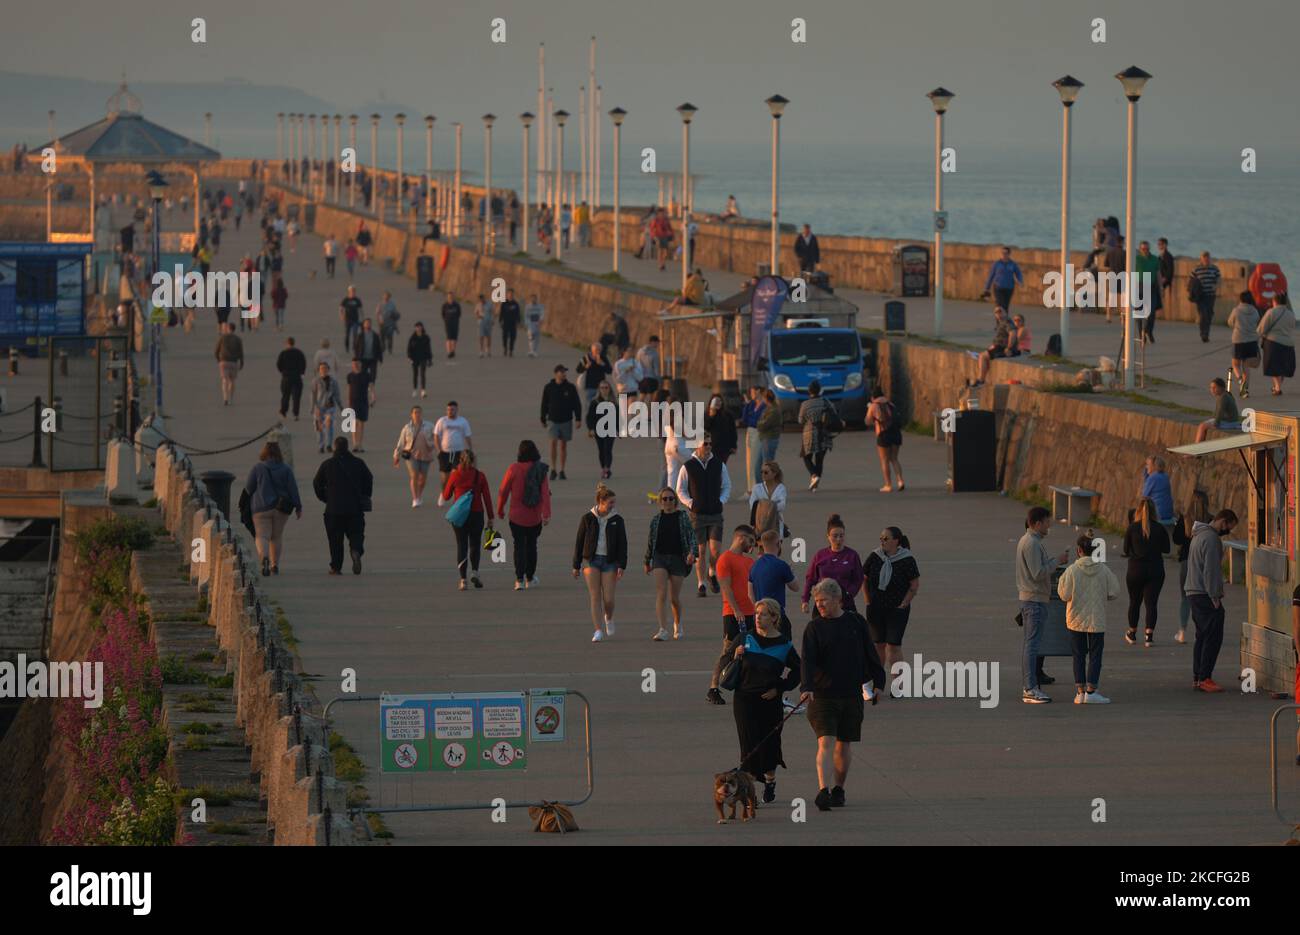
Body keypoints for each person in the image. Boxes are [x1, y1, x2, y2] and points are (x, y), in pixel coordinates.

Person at [796, 578, 886, 812]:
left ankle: (839, 789)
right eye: (817, 601)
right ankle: (823, 790)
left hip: (851, 694)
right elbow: (807, 661)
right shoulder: (814, 628)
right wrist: (806, 687)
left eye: (824, 600)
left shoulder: (856, 622)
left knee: (843, 745)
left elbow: (871, 653)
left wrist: (879, 682)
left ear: (838, 599)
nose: (820, 605)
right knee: (825, 741)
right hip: (822, 696)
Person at [719, 597, 801, 804]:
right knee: (748, 746)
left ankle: (770, 780)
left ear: (774, 618)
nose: (758, 618)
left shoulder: (784, 645)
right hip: (744, 700)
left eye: (763, 614)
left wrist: (779, 688)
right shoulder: (745, 638)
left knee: (770, 745)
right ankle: (749, 793)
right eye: (756, 614)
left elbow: (799, 670)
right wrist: (736, 656)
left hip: (770, 702)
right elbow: (724, 661)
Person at [1057, 534, 1121, 704]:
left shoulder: (1071, 570)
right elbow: (1114, 591)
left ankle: (1080, 691)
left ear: (1078, 551)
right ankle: (1092, 691)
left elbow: (1064, 595)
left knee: (1078, 655)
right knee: (1095, 655)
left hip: (1075, 619)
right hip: (1096, 619)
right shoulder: (1103, 569)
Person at [1017, 506, 1070, 704]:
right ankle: (1030, 688)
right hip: (1034, 600)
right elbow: (1038, 573)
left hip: (1033, 599)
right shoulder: (1031, 543)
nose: (1049, 526)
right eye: (1047, 522)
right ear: (1038, 523)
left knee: (1032, 644)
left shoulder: (1032, 541)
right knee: (1032, 646)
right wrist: (1057, 561)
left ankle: (1030, 686)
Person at [1184, 508, 1239, 692]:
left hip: (1193, 591)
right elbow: (1211, 570)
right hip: (1204, 593)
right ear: (1223, 521)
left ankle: (1197, 676)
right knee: (1213, 636)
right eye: (1228, 527)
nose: (1227, 532)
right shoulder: (1212, 539)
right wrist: (1215, 595)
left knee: (1201, 635)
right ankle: (1205, 677)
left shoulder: (1198, 535)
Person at [675, 432, 732, 599]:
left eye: (709, 444)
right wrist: (691, 503)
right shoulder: (688, 466)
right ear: (697, 445)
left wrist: (721, 500)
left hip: (715, 513)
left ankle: (712, 570)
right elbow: (680, 489)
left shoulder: (718, 464)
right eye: (705, 444)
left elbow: (727, 485)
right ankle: (701, 583)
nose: (708, 447)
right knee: (700, 550)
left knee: (715, 550)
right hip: (697, 515)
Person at [707, 525, 759, 704]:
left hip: (751, 612)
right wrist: (736, 609)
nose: (751, 547)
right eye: (750, 541)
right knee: (728, 651)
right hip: (733, 613)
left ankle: (749, 686)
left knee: (752, 651)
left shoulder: (749, 562)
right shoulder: (725, 559)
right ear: (741, 538)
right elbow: (725, 587)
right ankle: (713, 687)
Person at [572, 484, 627, 641]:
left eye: (613, 502)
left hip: (610, 562)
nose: (613, 505)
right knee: (595, 596)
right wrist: (576, 565)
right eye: (610, 502)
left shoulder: (617, 520)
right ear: (601, 502)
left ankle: (608, 617)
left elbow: (623, 544)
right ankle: (597, 630)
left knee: (608, 599)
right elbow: (579, 542)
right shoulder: (587, 518)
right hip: (591, 561)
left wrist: (622, 565)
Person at [312, 436, 373, 576]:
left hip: (333, 509)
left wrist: (325, 498)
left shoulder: (327, 464)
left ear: (334, 447)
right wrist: (364, 495)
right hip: (355, 508)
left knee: (335, 539)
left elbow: (317, 483)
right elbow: (369, 479)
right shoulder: (359, 463)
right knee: (356, 534)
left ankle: (336, 567)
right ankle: (356, 550)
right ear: (347, 447)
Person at [864, 526, 920, 679]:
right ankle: (877, 682)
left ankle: (898, 684)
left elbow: (914, 584)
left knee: (894, 646)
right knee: (878, 645)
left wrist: (905, 601)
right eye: (881, 538)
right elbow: (864, 578)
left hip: (897, 609)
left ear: (896, 541)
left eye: (886, 538)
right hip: (876, 608)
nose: (882, 541)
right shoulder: (875, 556)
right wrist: (867, 599)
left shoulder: (907, 559)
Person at [645, 486, 697, 640]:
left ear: (675, 501)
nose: (668, 501)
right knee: (661, 593)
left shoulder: (682, 517)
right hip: (660, 558)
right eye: (664, 499)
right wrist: (647, 560)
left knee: (674, 597)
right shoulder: (656, 520)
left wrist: (692, 553)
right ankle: (662, 629)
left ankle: (678, 624)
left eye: (671, 498)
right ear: (660, 501)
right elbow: (650, 541)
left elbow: (692, 537)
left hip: (677, 559)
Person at [498, 439, 551, 590]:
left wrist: (500, 510)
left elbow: (503, 491)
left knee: (519, 546)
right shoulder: (540, 469)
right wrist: (546, 514)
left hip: (516, 517)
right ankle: (530, 578)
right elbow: (545, 493)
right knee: (532, 546)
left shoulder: (513, 469)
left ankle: (519, 579)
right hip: (534, 517)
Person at [244, 441, 302, 577]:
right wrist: (298, 507)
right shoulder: (286, 469)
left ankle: (264, 558)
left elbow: (249, 488)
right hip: (281, 508)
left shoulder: (257, 468)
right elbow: (293, 489)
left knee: (262, 535)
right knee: (276, 536)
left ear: (264, 453)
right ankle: (274, 565)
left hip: (260, 508)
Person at [442, 450, 494, 590]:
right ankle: (475, 572)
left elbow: (446, 496)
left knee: (461, 545)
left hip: (459, 516)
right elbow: (487, 498)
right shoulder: (480, 476)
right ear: (473, 461)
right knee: (475, 544)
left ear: (460, 460)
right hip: (477, 514)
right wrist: (491, 517)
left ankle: (463, 580)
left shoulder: (455, 475)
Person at [1122, 497, 1170, 647]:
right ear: (1154, 511)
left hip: (1135, 570)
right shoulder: (1160, 528)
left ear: (1138, 511)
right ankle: (1149, 635)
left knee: (1134, 602)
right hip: (1155, 570)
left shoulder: (1132, 528)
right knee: (1151, 604)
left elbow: (1125, 549)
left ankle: (1132, 632)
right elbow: (1167, 549)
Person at [802, 513, 865, 615]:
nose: (839, 539)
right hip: (823, 602)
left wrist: (849, 593)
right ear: (828, 536)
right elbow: (810, 579)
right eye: (835, 536)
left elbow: (858, 578)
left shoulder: (852, 555)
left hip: (845, 602)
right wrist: (805, 600)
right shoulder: (820, 555)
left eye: (841, 536)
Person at [1171, 490, 1212, 644]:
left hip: (1186, 562)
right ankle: (1201, 630)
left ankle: (1182, 631)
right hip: (1204, 564)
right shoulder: (1210, 520)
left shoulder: (1185, 519)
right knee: (1204, 597)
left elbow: (1176, 539)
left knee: (1185, 598)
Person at [748, 529, 798, 638]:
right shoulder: (781, 565)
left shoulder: (754, 566)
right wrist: (792, 572)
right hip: (777, 616)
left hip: (760, 617)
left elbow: (750, 593)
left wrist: (757, 609)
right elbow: (795, 587)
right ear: (778, 543)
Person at [540, 364, 582, 480]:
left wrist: (578, 418)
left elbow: (576, 404)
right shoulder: (549, 387)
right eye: (562, 372)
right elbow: (544, 403)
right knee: (553, 443)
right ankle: (553, 469)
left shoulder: (570, 387)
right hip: (553, 420)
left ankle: (562, 470)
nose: (564, 374)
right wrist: (543, 418)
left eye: (565, 372)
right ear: (556, 373)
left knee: (563, 445)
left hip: (566, 420)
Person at [393, 405, 437, 508]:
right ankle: (415, 498)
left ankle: (419, 495)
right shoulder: (407, 427)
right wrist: (396, 456)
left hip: (426, 455)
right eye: (415, 412)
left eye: (419, 412)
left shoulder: (430, 426)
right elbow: (401, 442)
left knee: (423, 478)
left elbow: (436, 438)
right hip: (411, 455)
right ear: (411, 414)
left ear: (422, 414)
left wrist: (434, 447)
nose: (417, 414)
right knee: (414, 476)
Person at [797, 380, 835, 491]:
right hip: (824, 433)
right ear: (819, 390)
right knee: (819, 459)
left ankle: (814, 475)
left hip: (809, 434)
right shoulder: (826, 402)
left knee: (806, 456)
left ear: (809, 391)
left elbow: (800, 420)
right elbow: (834, 414)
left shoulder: (805, 404)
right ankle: (815, 483)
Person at [867, 384, 904, 493]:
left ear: (873, 396)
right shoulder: (890, 403)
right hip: (896, 433)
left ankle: (888, 485)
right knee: (894, 458)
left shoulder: (873, 405)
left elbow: (867, 421)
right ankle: (900, 481)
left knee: (884, 460)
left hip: (883, 434)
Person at [1258, 292, 1296, 396]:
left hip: (1273, 343)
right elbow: (1292, 327)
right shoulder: (1290, 314)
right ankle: (1276, 387)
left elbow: (1261, 328)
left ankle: (1278, 388)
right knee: (1282, 367)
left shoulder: (1271, 312)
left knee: (1274, 367)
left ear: (1274, 301)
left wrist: (1259, 335)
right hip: (1288, 343)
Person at [433, 400, 473, 490]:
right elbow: (436, 436)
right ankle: (443, 494)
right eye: (448, 410)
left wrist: (470, 449)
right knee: (444, 478)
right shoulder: (442, 421)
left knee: (456, 474)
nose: (450, 412)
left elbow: (467, 436)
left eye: (452, 410)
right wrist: (438, 450)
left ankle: (455, 494)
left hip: (458, 452)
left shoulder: (463, 421)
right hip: (444, 452)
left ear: (457, 410)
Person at [1227, 291, 1260, 398]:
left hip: (1238, 341)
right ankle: (1245, 391)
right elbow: (1257, 322)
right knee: (1246, 366)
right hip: (1251, 342)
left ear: (1240, 299)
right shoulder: (1255, 311)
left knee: (1235, 364)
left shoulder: (1236, 310)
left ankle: (1240, 380)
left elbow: (1230, 322)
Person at [586, 379, 619, 479]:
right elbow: (590, 417)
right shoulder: (595, 402)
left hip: (610, 429)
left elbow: (618, 417)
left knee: (607, 449)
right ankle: (603, 468)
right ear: (599, 390)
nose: (604, 390)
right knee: (601, 450)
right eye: (602, 388)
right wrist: (590, 429)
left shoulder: (613, 402)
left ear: (609, 389)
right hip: (598, 429)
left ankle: (607, 469)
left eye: (606, 387)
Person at [748, 461, 787, 540]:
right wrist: (772, 505)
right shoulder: (756, 488)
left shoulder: (781, 488)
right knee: (761, 548)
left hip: (776, 523)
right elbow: (753, 506)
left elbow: (782, 506)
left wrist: (763, 505)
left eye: (766, 472)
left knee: (776, 549)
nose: (763, 474)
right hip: (760, 524)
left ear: (774, 473)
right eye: (761, 472)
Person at [1194, 377, 1241, 443]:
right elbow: (1217, 413)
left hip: (1230, 423)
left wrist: (1215, 425)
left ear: (1221, 388)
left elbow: (1220, 412)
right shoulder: (1225, 395)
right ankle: (1198, 446)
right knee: (1204, 424)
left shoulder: (1223, 397)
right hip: (1230, 421)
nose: (1212, 390)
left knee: (1202, 426)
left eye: (1214, 388)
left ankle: (1196, 447)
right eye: (1211, 388)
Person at [311, 362, 343, 453]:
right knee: (319, 427)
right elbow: (313, 395)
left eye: (325, 368)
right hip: (319, 407)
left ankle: (329, 445)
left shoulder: (333, 381)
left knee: (329, 424)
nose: (323, 370)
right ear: (319, 370)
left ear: (328, 369)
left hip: (330, 406)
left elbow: (337, 394)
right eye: (321, 369)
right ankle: (321, 445)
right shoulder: (316, 381)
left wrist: (341, 406)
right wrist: (313, 408)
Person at [1134, 240, 1162, 342]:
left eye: (1147, 249)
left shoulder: (1154, 259)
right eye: (1143, 249)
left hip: (1152, 287)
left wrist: (1161, 288)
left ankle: (1148, 331)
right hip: (1139, 287)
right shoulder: (1136, 259)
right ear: (1140, 250)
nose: (1145, 251)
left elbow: (1158, 274)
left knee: (1151, 313)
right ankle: (1141, 334)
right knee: (1139, 313)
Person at [1190, 252, 1222, 343]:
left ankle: (1206, 332)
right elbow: (1191, 281)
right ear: (1201, 259)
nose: (1206, 261)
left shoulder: (1214, 269)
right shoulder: (1196, 269)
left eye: (1208, 259)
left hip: (1211, 295)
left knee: (1209, 314)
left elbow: (1219, 279)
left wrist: (1216, 286)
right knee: (1203, 314)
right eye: (1204, 259)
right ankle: (1203, 334)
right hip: (1200, 296)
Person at [982, 246, 1024, 312]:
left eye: (1006, 253)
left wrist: (1020, 281)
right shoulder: (997, 264)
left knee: (1005, 306)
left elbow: (1018, 273)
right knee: (999, 304)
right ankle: (999, 320)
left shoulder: (1013, 264)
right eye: (1002, 253)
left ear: (1009, 254)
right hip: (998, 287)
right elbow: (991, 276)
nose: (1004, 254)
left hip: (1009, 288)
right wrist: (987, 287)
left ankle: (1005, 320)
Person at [741, 387, 767, 493]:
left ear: (759, 391)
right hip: (749, 431)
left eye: (753, 392)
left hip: (758, 432)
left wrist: (752, 419)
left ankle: (755, 488)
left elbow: (758, 420)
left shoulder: (764, 406)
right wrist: (747, 405)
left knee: (755, 461)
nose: (751, 394)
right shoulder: (751, 404)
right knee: (749, 461)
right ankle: (750, 488)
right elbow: (744, 419)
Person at [345, 359, 374, 452]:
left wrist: (373, 397)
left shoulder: (367, 375)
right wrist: (348, 401)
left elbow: (371, 387)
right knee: (354, 422)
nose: (356, 365)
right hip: (353, 401)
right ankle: (355, 444)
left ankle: (360, 444)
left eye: (357, 364)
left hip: (363, 401)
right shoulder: (350, 376)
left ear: (360, 365)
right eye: (354, 364)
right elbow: (349, 389)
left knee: (361, 423)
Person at [1138, 455, 1175, 527]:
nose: (1146, 467)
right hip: (1169, 513)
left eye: (1148, 464)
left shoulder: (1152, 478)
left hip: (1158, 515)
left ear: (1154, 466)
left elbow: (1144, 497)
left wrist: (1146, 476)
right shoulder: (1165, 476)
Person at [276, 337, 307, 420]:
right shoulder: (299, 353)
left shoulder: (283, 353)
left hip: (286, 377)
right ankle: (296, 414)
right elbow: (303, 363)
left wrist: (283, 371)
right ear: (294, 343)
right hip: (297, 377)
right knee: (296, 396)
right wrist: (302, 373)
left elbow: (279, 364)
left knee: (285, 395)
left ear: (287, 343)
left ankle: (283, 412)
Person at [214, 322, 243, 405]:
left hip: (223, 361)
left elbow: (216, 350)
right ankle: (231, 398)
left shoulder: (222, 338)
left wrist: (218, 360)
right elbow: (241, 352)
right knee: (232, 380)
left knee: (224, 380)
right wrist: (241, 362)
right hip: (234, 361)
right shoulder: (238, 339)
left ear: (228, 329)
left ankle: (225, 398)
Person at [703, 395, 738, 465]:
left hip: (725, 447)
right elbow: (705, 427)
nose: (717, 403)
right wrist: (711, 416)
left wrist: (734, 446)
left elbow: (733, 431)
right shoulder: (707, 414)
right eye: (715, 401)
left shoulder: (728, 415)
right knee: (712, 466)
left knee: (721, 466)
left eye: (719, 401)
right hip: (712, 446)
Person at [353, 318, 383, 389]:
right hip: (363, 358)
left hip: (373, 358)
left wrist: (380, 358)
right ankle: (364, 387)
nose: (368, 324)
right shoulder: (360, 335)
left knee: (373, 375)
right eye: (366, 323)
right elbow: (356, 347)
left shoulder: (375, 335)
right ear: (363, 325)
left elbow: (379, 347)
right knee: (363, 374)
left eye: (369, 323)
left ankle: (371, 387)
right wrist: (356, 358)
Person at [756, 388, 782, 471]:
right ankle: (761, 483)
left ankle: (769, 483)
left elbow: (763, 424)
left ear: (766, 398)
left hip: (769, 439)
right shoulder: (769, 408)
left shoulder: (774, 410)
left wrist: (759, 423)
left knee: (767, 465)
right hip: (765, 438)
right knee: (758, 465)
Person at [407, 322, 433, 398]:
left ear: (422, 327)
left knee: (422, 374)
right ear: (415, 328)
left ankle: (423, 391)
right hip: (414, 358)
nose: (418, 328)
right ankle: (415, 390)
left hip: (423, 358)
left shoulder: (426, 337)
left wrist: (430, 359)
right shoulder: (412, 338)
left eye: (419, 327)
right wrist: (409, 357)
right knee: (415, 374)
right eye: (417, 327)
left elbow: (428, 349)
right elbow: (409, 348)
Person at [636, 335, 662, 400]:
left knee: (642, 396)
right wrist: (659, 380)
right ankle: (650, 410)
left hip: (642, 378)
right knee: (652, 399)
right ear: (652, 342)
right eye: (657, 343)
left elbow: (637, 364)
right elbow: (656, 369)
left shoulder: (640, 351)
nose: (657, 345)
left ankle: (637, 410)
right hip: (651, 378)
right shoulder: (654, 353)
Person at [498, 289, 521, 357]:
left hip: (513, 323)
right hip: (505, 322)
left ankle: (511, 350)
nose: (510, 295)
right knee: (505, 336)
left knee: (513, 337)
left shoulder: (516, 304)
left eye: (511, 294)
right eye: (509, 294)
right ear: (507, 295)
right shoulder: (504, 303)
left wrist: (518, 322)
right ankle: (505, 348)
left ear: (513, 295)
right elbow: (501, 312)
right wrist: (500, 320)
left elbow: (518, 313)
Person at [440, 291, 462, 358]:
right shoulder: (445, 305)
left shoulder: (457, 305)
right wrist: (446, 320)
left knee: (454, 338)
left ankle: (453, 351)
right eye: (449, 296)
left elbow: (459, 314)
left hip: (455, 323)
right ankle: (449, 352)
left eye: (452, 296)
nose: (450, 297)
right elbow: (443, 314)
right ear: (447, 297)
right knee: (449, 338)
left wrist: (455, 320)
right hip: (448, 323)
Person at [473, 293, 494, 358]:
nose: (481, 300)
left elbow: (493, 312)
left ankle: (488, 350)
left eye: (482, 298)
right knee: (481, 337)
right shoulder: (478, 305)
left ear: (484, 298)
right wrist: (478, 316)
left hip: (488, 322)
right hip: (481, 322)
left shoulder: (489, 304)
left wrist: (492, 320)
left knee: (488, 337)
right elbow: (475, 313)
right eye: (480, 299)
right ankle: (481, 351)